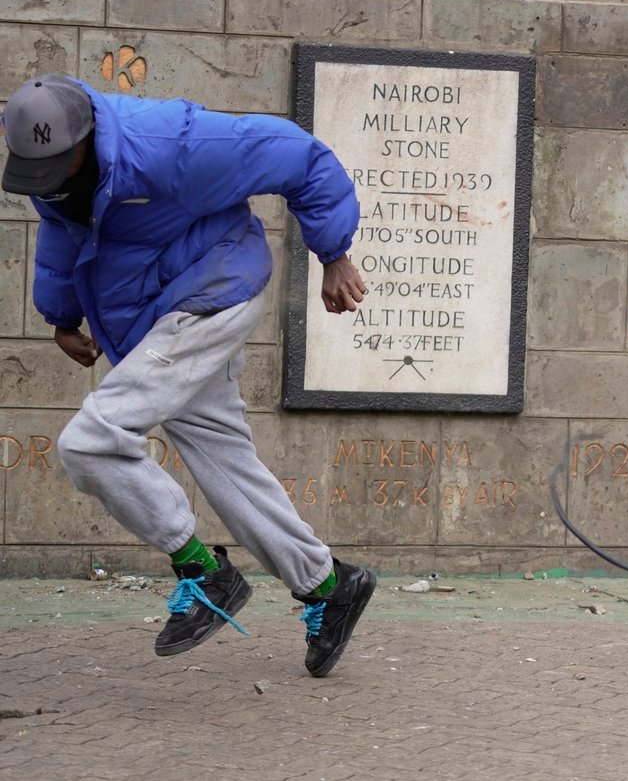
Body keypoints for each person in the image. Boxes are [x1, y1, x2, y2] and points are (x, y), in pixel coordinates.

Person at [1, 73, 376, 677]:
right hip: (166, 309)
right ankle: (328, 585)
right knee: (226, 462)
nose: (46, 180)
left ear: (85, 137)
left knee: (90, 443)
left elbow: (299, 155)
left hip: (213, 291)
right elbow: (62, 230)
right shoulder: (54, 168)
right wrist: (62, 313)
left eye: (54, 165)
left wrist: (333, 253)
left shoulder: (173, 144)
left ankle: (203, 569)